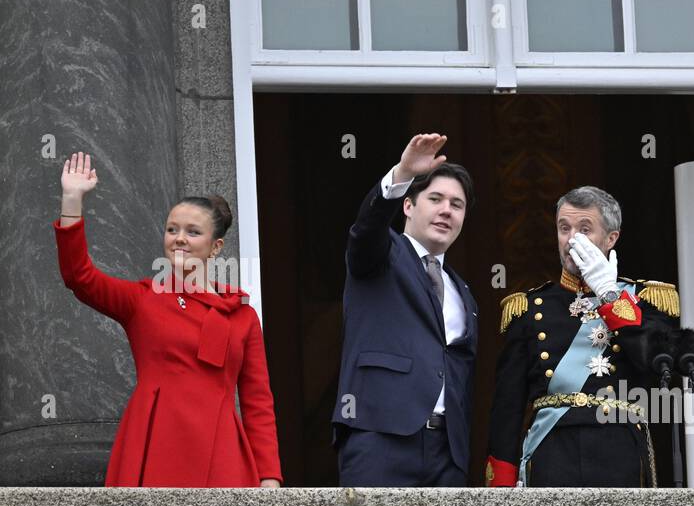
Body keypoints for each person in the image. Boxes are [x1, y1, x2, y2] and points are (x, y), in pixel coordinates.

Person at [53, 152, 281, 487]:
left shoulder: (242, 317)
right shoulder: (142, 300)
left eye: (192, 232)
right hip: (153, 445)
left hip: (222, 454)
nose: (179, 239)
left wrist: (269, 476)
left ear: (215, 247)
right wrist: (72, 200)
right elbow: (79, 276)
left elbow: (258, 401)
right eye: (172, 229)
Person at [485, 186, 694, 487]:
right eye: (565, 228)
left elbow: (654, 360)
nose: (572, 239)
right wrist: (502, 485)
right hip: (551, 454)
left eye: (584, 229)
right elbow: (507, 408)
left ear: (611, 238)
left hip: (619, 452)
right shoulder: (528, 307)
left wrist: (610, 295)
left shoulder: (644, 298)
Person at [331, 133, 478, 487]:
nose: (446, 210)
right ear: (408, 206)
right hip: (380, 437)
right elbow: (366, 229)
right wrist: (401, 175)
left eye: (457, 205)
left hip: (447, 451)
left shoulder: (464, 292)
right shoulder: (381, 254)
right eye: (436, 199)